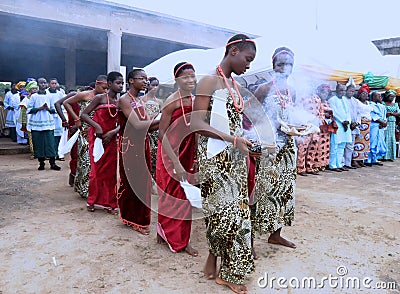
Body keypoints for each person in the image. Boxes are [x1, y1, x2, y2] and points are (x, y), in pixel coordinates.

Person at [191, 34, 259, 294]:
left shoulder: (233, 84)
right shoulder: (209, 81)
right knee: (228, 214)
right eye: (247, 58)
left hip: (234, 157)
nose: (249, 65)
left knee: (228, 213)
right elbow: (196, 124)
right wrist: (233, 139)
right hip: (215, 159)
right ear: (233, 52)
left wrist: (249, 144)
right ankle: (228, 273)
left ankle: (213, 258)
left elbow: (235, 124)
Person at [252, 47, 297, 253]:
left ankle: (276, 234)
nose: (285, 68)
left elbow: (291, 116)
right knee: (263, 188)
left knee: (285, 189)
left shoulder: (292, 90)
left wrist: (296, 128)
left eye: (289, 64)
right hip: (269, 145)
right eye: (281, 64)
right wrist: (270, 127)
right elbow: (252, 116)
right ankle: (249, 238)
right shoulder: (263, 89)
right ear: (273, 66)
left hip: (288, 145)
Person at [156, 62, 198, 256]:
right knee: (173, 196)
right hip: (170, 154)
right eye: (185, 77)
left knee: (186, 197)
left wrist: (195, 157)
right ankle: (173, 237)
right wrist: (176, 162)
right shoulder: (171, 102)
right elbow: (161, 133)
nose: (190, 80)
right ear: (177, 80)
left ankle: (176, 235)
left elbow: (196, 129)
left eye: (192, 76)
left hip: (188, 152)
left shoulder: (196, 100)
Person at [117, 69, 159, 235]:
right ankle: (135, 220)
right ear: (131, 81)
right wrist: (163, 119)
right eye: (141, 78)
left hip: (143, 143)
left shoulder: (140, 100)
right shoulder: (124, 100)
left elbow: (147, 127)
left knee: (144, 182)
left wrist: (164, 121)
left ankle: (136, 217)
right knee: (134, 183)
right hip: (130, 146)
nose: (145, 82)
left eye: (146, 79)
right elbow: (137, 124)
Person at [81, 72, 121, 213]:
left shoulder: (120, 102)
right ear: (109, 84)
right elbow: (84, 114)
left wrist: (113, 132)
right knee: (96, 171)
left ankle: (110, 203)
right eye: (118, 83)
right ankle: (92, 201)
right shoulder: (99, 98)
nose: (121, 86)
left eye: (122, 83)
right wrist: (97, 126)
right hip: (97, 138)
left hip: (111, 139)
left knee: (110, 172)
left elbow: (123, 122)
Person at [63, 75, 108, 198]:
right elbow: (66, 103)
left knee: (99, 160)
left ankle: (96, 189)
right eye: (103, 88)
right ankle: (85, 189)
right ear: (97, 84)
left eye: (107, 88)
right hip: (85, 130)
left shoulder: (106, 97)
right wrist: (76, 118)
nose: (105, 91)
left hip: (99, 130)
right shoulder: (85, 95)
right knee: (86, 160)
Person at [27, 78, 61, 171]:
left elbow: (54, 110)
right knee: (38, 143)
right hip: (37, 123)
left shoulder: (49, 96)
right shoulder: (34, 96)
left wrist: (48, 109)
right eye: (41, 83)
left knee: (50, 143)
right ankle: (41, 163)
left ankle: (53, 163)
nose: (43, 84)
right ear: (38, 84)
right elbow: (29, 110)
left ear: (47, 84)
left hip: (48, 123)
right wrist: (40, 108)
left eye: (44, 83)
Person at [55, 90, 79, 186]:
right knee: (75, 154)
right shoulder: (74, 95)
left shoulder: (98, 97)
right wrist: (64, 120)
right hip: (74, 128)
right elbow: (57, 104)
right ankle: (73, 175)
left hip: (87, 128)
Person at [328, 83, 352, 172]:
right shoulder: (332, 100)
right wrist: (342, 121)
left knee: (342, 146)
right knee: (335, 145)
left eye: (344, 90)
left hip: (346, 125)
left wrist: (348, 121)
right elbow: (334, 112)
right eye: (341, 90)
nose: (343, 92)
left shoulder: (345, 100)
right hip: (338, 124)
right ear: (337, 90)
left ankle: (339, 164)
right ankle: (332, 165)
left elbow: (348, 112)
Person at [353, 84, 373, 166]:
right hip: (360, 123)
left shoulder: (368, 103)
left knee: (365, 142)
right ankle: (355, 159)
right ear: (359, 94)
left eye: (366, 94)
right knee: (358, 141)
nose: (364, 95)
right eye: (363, 93)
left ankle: (362, 159)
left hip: (367, 124)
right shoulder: (356, 102)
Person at [343, 82, 361, 169]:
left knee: (350, 146)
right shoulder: (342, 99)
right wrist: (349, 123)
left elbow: (358, 113)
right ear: (346, 91)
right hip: (345, 125)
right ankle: (342, 163)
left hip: (354, 126)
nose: (351, 93)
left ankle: (348, 163)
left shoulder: (355, 101)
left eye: (353, 91)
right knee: (343, 145)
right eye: (350, 91)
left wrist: (356, 123)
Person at [366, 91, 387, 166]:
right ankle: (368, 159)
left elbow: (384, 116)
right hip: (374, 125)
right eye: (378, 96)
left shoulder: (381, 106)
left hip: (380, 126)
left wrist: (384, 122)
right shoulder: (370, 105)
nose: (380, 97)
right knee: (372, 142)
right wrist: (381, 122)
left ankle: (374, 158)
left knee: (379, 142)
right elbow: (372, 115)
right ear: (374, 97)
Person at [19, 80, 38, 158]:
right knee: (31, 138)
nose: (34, 90)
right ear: (29, 90)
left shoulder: (39, 97)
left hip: (39, 121)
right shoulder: (26, 100)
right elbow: (23, 112)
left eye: (35, 89)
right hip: (29, 120)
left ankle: (40, 152)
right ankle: (33, 153)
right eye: (33, 89)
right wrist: (24, 122)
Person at [47, 78, 64, 160]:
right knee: (50, 135)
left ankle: (58, 153)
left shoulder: (60, 94)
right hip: (49, 116)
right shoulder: (46, 93)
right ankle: (51, 153)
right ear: (49, 84)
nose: (54, 85)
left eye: (55, 83)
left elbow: (63, 105)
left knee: (59, 136)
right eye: (52, 83)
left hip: (58, 117)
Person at [382, 90, 399, 161]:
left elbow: (398, 113)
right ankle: (383, 156)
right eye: (390, 96)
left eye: (393, 96)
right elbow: (383, 112)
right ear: (387, 96)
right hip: (385, 122)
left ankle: (390, 155)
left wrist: (391, 113)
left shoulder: (395, 104)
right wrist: (393, 113)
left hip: (392, 122)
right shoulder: (383, 103)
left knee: (391, 138)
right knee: (384, 137)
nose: (392, 98)